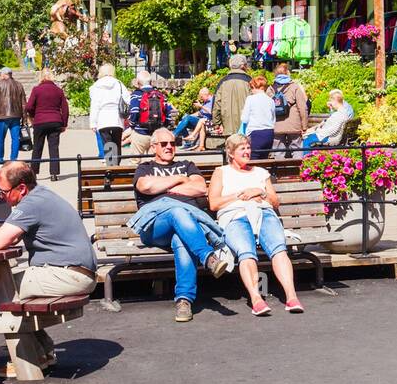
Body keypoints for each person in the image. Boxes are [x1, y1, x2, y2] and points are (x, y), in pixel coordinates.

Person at [0, 161, 96, 375]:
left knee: (2, 292)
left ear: (21, 188)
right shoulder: (42, 195)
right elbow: (4, 235)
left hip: (67, 274)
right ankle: (43, 352)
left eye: (4, 192)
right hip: (77, 272)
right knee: (5, 292)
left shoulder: (31, 204)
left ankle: (28, 360)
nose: (2, 197)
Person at [129, 128, 234, 322]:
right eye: (164, 144)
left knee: (181, 239)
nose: (169, 147)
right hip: (155, 226)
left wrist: (164, 188)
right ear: (153, 147)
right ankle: (208, 257)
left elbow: (200, 187)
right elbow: (145, 186)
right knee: (177, 210)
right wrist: (178, 180)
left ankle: (184, 301)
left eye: (173, 143)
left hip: (186, 229)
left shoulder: (187, 164)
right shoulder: (145, 167)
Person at [209, 134, 304, 316]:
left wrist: (259, 191)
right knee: (246, 252)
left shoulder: (260, 173)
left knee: (279, 249)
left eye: (248, 147)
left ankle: (291, 297)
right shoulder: (221, 172)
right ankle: (256, 299)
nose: (247, 151)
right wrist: (240, 194)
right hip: (235, 216)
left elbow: (275, 202)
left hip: (263, 213)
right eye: (241, 148)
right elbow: (213, 203)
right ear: (230, 152)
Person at [26, 68, 69, 180]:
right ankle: (54, 174)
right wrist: (64, 124)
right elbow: (65, 108)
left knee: (37, 147)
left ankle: (34, 172)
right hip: (55, 121)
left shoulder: (36, 90)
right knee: (54, 148)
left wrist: (33, 116)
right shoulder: (58, 91)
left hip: (40, 121)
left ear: (41, 77)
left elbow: (29, 106)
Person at [0, 68, 28, 165]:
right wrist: (24, 119)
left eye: (1, 74)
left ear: (4, 74)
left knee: (0, 138)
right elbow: (24, 104)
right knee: (15, 138)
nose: (0, 76)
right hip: (15, 116)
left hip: (2, 116)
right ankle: (13, 158)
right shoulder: (19, 85)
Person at [90, 63, 131, 164]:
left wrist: (93, 123)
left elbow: (95, 105)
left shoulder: (96, 85)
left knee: (107, 144)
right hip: (117, 118)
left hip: (103, 118)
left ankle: (110, 166)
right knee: (117, 143)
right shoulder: (119, 84)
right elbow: (127, 100)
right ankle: (116, 165)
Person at [126, 69, 171, 157]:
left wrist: (132, 125)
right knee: (156, 161)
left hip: (140, 132)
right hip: (156, 133)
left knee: (135, 161)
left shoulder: (136, 95)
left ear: (138, 82)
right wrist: (163, 126)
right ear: (151, 82)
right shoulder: (160, 95)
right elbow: (168, 112)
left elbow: (134, 112)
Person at [270, 62, 310, 158]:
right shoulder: (294, 87)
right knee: (297, 149)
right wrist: (304, 126)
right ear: (287, 73)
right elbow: (302, 107)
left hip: (277, 125)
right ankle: (297, 170)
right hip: (294, 125)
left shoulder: (271, 88)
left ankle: (279, 171)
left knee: (278, 151)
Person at [210, 54, 252, 137]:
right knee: (244, 148)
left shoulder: (223, 82)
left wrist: (217, 123)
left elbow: (216, 105)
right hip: (246, 126)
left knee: (231, 148)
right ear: (243, 65)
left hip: (227, 126)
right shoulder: (249, 81)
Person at [239, 74, 276, 160]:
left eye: (251, 88)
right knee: (264, 159)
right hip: (269, 133)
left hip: (255, 132)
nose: (251, 91)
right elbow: (273, 119)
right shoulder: (271, 100)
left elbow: (244, 119)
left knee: (253, 160)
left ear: (254, 87)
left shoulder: (250, 99)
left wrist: (242, 113)